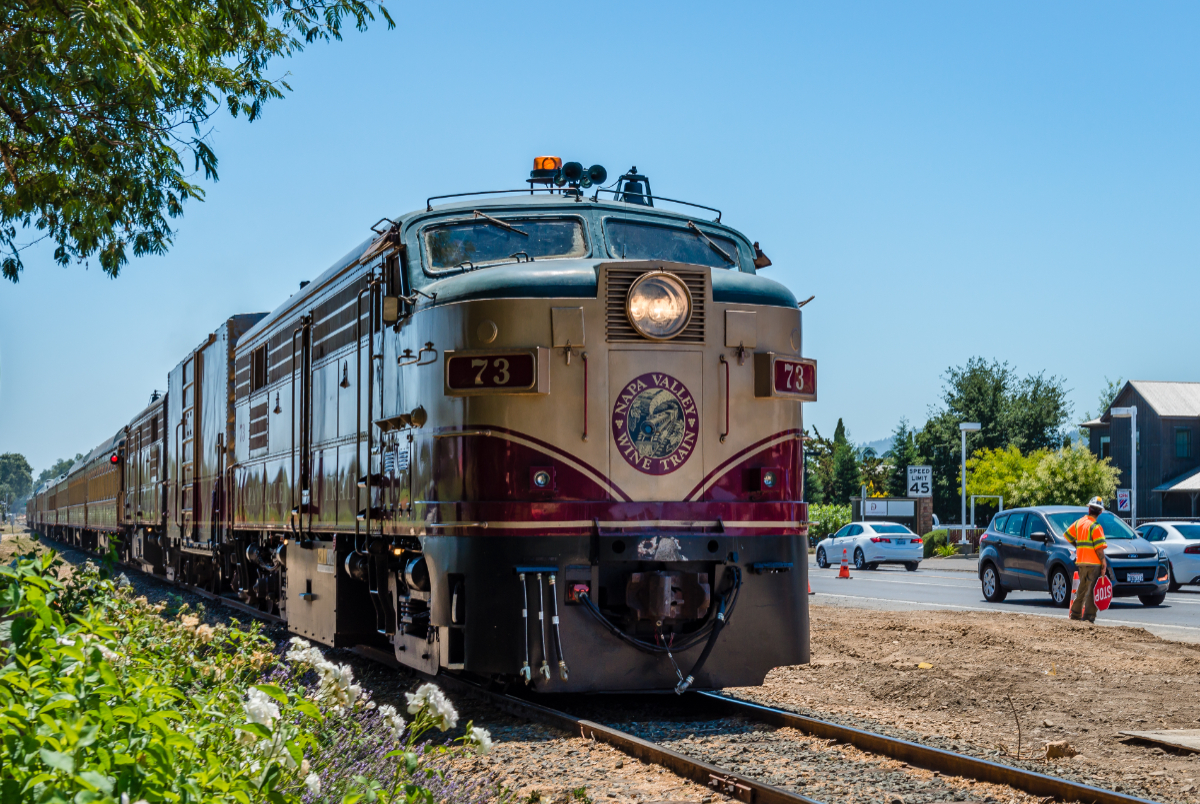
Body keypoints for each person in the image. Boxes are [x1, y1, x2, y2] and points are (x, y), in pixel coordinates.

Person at [1065, 496, 1108, 622]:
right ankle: (1089, 618)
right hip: (1094, 563)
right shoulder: (1096, 526)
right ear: (1100, 512)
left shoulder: (1079, 523)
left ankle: (1075, 615)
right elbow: (1099, 549)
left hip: (1082, 562)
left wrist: (1078, 546)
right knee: (1092, 592)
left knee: (1082, 590)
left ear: (1089, 509)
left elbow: (1067, 535)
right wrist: (1103, 563)